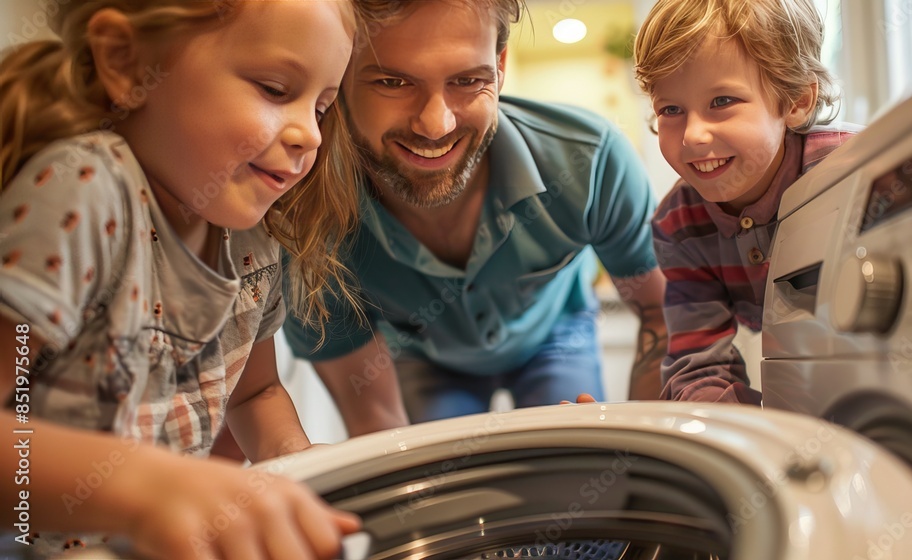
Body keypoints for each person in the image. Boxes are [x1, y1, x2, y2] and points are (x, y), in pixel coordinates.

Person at [0, 1, 363, 558]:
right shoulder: (86, 191)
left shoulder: (251, 237)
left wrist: (299, 468)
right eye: (273, 88)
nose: (311, 136)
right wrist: (148, 489)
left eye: (322, 108)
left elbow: (257, 392)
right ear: (127, 64)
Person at [282, 0, 668, 434]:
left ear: (500, 68)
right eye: (393, 81)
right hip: (423, 357)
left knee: (576, 475)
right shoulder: (307, 223)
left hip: (556, 333)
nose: (435, 124)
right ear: (340, 76)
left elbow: (662, 312)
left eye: (468, 80)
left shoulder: (592, 163)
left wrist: (638, 452)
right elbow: (373, 418)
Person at [633, 0, 860, 405]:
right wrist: (744, 427)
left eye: (721, 102)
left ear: (796, 102)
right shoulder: (679, 225)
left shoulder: (855, 173)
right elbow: (697, 364)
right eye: (671, 109)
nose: (693, 136)